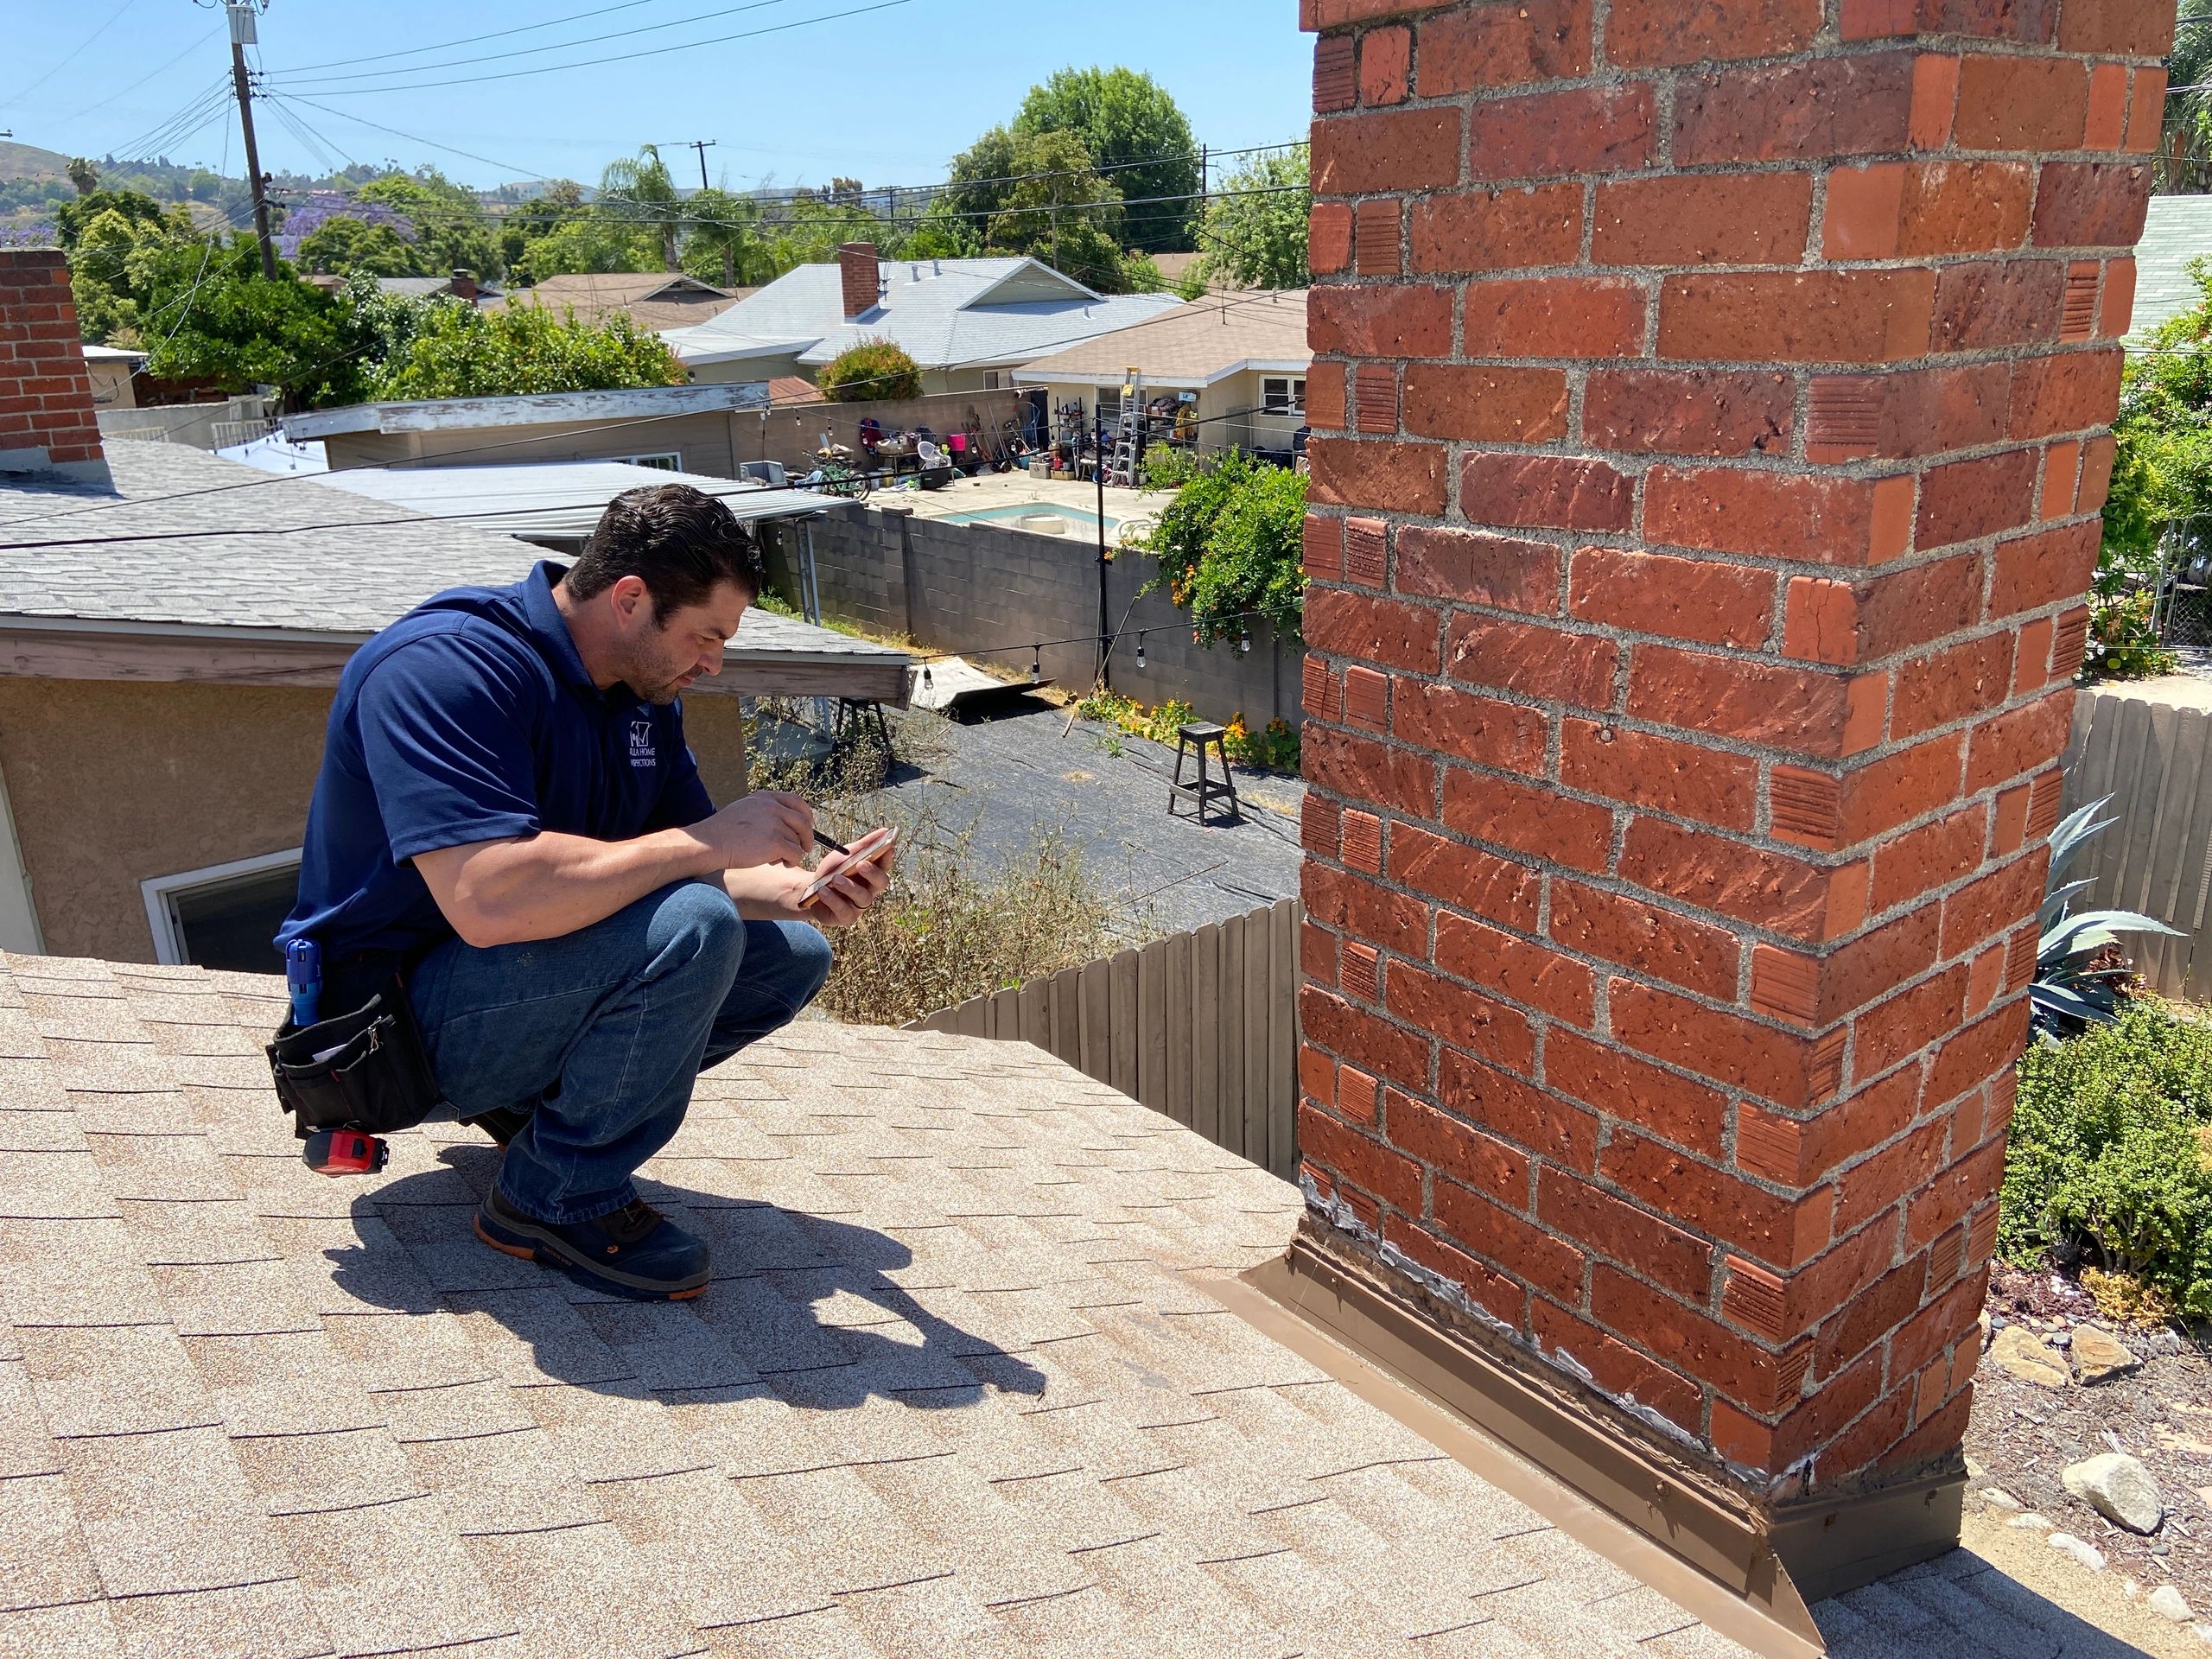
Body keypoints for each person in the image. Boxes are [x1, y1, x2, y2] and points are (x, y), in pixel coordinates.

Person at [277, 484, 892, 1301]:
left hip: (496, 990)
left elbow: (683, 872)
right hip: (380, 1035)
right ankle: (553, 1200)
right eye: (705, 636)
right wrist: (712, 842)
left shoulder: (638, 699)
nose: (715, 663)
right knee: (699, 927)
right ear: (631, 599)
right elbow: (490, 899)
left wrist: (800, 892)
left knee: (788, 954)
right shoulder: (445, 669)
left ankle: (538, 1117)